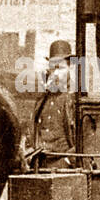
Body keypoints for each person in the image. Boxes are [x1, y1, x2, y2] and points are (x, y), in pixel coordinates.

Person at [30, 39, 75, 168]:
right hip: (40, 163)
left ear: (69, 68)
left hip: (64, 166)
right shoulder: (42, 100)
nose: (54, 74)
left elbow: (85, 139)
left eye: (59, 68)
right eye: (52, 69)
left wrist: (67, 161)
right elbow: (32, 133)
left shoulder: (74, 99)